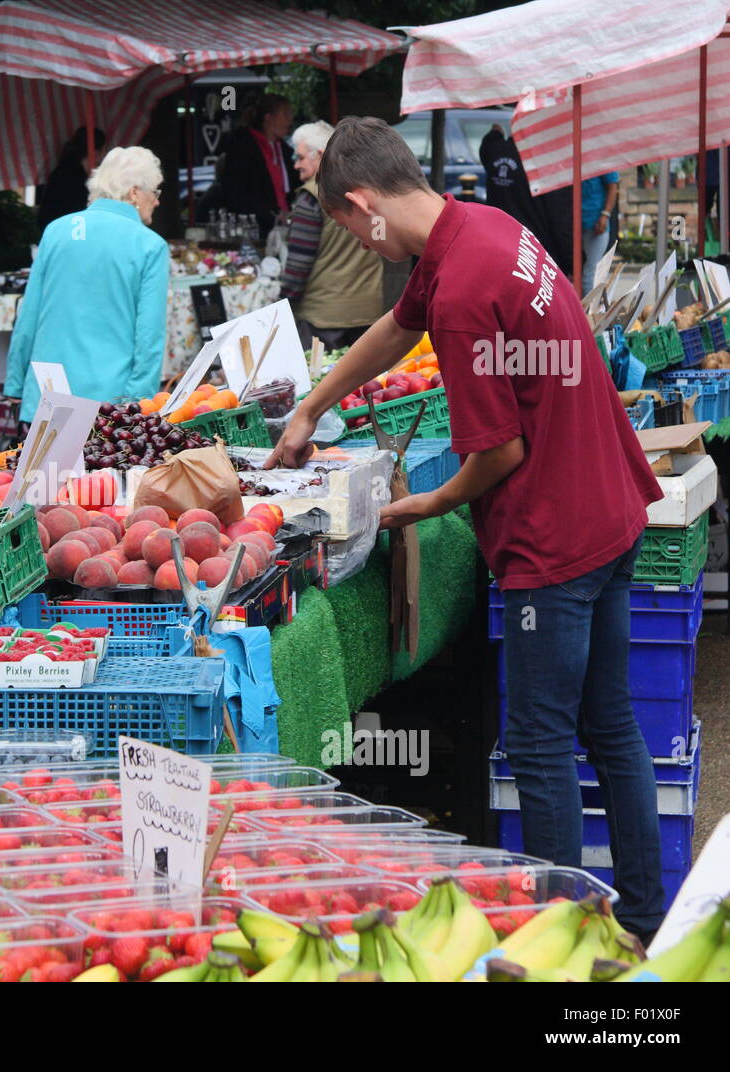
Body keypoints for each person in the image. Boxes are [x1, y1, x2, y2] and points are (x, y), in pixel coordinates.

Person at [269, 116, 666, 940]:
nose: (351, 238)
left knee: (541, 741)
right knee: (612, 726)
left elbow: (497, 454)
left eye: (345, 223)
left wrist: (420, 505)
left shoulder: (461, 289)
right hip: (611, 504)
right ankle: (645, 915)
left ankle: (562, 938)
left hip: (554, 536)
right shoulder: (482, 227)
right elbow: (394, 329)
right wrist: (313, 404)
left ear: (362, 202)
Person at [3, 147, 169, 424]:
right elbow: (149, 337)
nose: (157, 201)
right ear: (135, 193)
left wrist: (15, 383)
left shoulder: (57, 230)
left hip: (47, 394)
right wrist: (137, 403)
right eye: (156, 192)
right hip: (109, 404)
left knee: (44, 469)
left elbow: (28, 316)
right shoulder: (150, 245)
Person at [280, 120, 382, 350]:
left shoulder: (310, 197)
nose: (296, 165)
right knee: (364, 384)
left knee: (322, 382)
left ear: (320, 155)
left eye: (300, 158)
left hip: (323, 316)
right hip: (367, 310)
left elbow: (299, 263)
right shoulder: (366, 189)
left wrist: (284, 301)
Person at [479, 125, 575, 276]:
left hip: (501, 247)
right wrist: (573, 263)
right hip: (537, 254)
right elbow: (561, 218)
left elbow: (486, 147)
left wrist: (494, 132)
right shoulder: (549, 162)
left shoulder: (495, 150)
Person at [218, 93, 298, 237]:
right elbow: (235, 195)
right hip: (255, 230)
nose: (290, 120)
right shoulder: (242, 149)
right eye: (285, 114)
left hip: (286, 229)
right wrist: (271, 214)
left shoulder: (286, 151)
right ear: (268, 118)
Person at [37, 127, 106, 230]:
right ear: (96, 153)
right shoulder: (74, 178)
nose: (105, 154)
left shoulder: (65, 170)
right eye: (104, 149)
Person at [580, 170, 619, 292]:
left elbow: (613, 188)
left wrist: (605, 214)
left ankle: (589, 308)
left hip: (596, 224)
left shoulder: (603, 160)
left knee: (591, 271)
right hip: (573, 224)